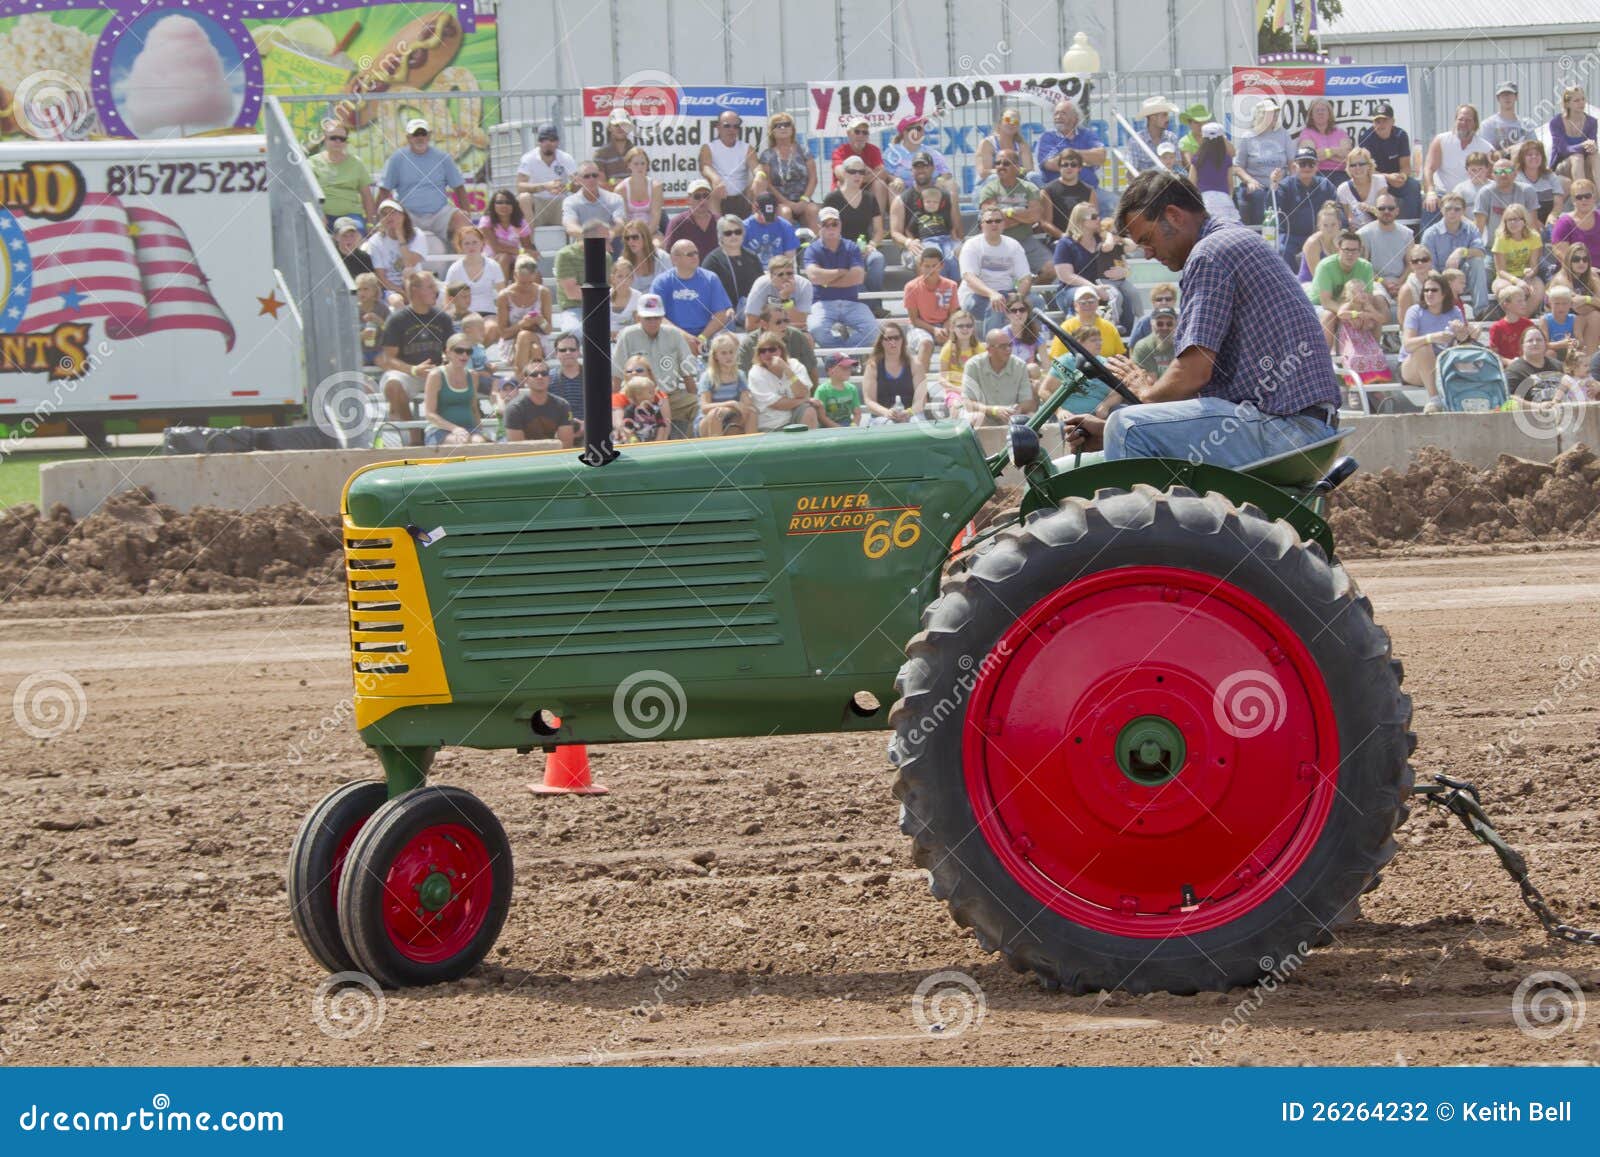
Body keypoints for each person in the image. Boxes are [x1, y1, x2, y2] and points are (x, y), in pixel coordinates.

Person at [1061, 170, 1341, 465]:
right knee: (1122, 427)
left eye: (1147, 239)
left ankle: (1146, 511)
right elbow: (1199, 391)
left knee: (1126, 424)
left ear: (1174, 216)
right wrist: (1112, 432)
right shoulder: (1230, 242)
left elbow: (1191, 375)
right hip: (1295, 426)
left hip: (1287, 429)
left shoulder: (1210, 254)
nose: (1147, 254)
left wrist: (1144, 395)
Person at [376, 269, 454, 430]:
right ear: (415, 290)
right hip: (407, 373)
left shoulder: (443, 318)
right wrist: (413, 370)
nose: (436, 291)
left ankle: (451, 430)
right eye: (430, 287)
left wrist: (444, 367)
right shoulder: (397, 320)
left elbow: (452, 350)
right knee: (392, 385)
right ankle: (413, 431)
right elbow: (388, 358)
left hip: (436, 373)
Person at [612, 294, 701, 436]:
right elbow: (616, 376)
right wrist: (615, 404)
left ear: (662, 317)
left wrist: (694, 395)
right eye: (648, 318)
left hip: (671, 396)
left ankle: (691, 449)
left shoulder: (674, 334)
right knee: (618, 418)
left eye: (657, 317)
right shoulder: (627, 335)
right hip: (634, 398)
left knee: (700, 407)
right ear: (638, 317)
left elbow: (687, 373)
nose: (653, 322)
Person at [377, 118, 470, 251]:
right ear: (408, 137)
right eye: (416, 134)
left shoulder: (443, 158)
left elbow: (459, 188)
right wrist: (377, 220)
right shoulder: (396, 159)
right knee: (394, 221)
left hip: (439, 213)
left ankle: (466, 264)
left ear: (429, 136)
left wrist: (467, 213)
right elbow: (384, 191)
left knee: (463, 221)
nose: (420, 138)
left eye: (423, 133)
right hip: (408, 215)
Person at [804, 206, 878, 348]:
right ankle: (844, 358)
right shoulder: (812, 249)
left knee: (874, 332)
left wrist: (826, 281)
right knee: (816, 330)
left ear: (840, 225)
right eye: (826, 224)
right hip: (822, 303)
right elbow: (814, 276)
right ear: (819, 226)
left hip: (852, 303)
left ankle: (840, 356)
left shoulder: (852, 247)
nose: (831, 227)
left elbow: (858, 278)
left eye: (834, 223)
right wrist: (841, 272)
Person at [1052, 202, 1133, 330]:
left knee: (1126, 296)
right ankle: (1080, 332)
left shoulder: (1103, 240)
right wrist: (1094, 288)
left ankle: (1123, 334)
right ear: (1081, 221)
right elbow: (1066, 276)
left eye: (1098, 216)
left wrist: (1125, 271)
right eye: (1094, 217)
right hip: (1071, 290)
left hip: (1104, 285)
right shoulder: (1065, 243)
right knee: (1087, 294)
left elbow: (1126, 248)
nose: (1099, 219)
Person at [1400, 271, 1475, 410]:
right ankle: (1435, 400)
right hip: (1413, 368)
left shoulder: (1454, 311)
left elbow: (1464, 344)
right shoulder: (1415, 311)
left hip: (1441, 366)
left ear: (1444, 293)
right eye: (1426, 290)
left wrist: (1462, 333)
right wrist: (1432, 337)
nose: (1429, 293)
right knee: (1424, 347)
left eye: (1434, 290)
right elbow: (1408, 345)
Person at [977, 150, 1054, 273]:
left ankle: (1028, 288)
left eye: (1006, 163)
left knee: (1052, 269)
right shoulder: (988, 189)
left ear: (1017, 167)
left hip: (1025, 240)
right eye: (997, 163)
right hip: (998, 242)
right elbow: (993, 221)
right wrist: (1023, 215)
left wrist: (1008, 212)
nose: (1001, 166)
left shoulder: (1029, 188)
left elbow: (1035, 216)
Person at [889, 152, 963, 281]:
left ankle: (957, 296)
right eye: (917, 167)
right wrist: (908, 242)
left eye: (925, 166)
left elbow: (957, 230)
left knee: (962, 253)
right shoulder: (902, 200)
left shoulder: (945, 196)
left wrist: (954, 198)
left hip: (945, 240)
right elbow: (895, 233)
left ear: (933, 169)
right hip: (916, 244)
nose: (921, 170)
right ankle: (930, 298)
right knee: (927, 257)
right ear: (912, 170)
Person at [652, 239, 733, 352]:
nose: (695, 256)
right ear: (675, 259)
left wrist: (701, 338)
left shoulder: (710, 279)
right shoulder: (661, 282)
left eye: (696, 253)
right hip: (671, 338)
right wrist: (685, 337)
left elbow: (721, 314)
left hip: (706, 337)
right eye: (690, 254)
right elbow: (657, 316)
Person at [960, 208, 1032, 332]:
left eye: (998, 221)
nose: (994, 224)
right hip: (976, 295)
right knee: (996, 307)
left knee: (1036, 302)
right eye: (989, 221)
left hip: (1008, 294)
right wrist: (992, 294)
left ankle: (1030, 343)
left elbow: (1025, 278)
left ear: (1003, 224)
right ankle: (994, 346)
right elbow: (969, 278)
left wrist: (1018, 298)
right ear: (981, 225)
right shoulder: (971, 245)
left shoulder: (1013, 245)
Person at [1423, 105, 1493, 228]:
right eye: (1460, 119)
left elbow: (1491, 175)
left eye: (1468, 120)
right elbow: (1429, 168)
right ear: (1455, 121)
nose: (1464, 123)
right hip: (1443, 195)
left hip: (1472, 194)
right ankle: (1427, 245)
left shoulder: (1486, 147)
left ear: (1475, 123)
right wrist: (1430, 192)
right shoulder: (1441, 140)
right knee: (1430, 205)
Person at [823, 156, 887, 292]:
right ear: (844, 173)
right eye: (853, 171)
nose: (858, 175)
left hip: (865, 247)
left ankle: (875, 301)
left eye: (861, 172)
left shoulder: (869, 198)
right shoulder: (832, 199)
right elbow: (825, 231)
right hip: (840, 248)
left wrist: (872, 245)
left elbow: (879, 230)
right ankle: (871, 305)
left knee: (878, 259)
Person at [1420, 193, 1489, 315]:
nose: (1452, 212)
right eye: (1448, 208)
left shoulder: (1471, 229)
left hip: (1465, 280)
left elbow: (1481, 252)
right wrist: (1446, 283)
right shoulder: (1430, 234)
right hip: (1440, 280)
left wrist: (1461, 251)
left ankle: (1481, 312)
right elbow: (1430, 268)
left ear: (1463, 211)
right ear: (1441, 210)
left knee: (1477, 261)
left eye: (1457, 209)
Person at [1275, 146, 1338, 272]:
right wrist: (1274, 187)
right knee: (1282, 250)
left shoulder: (1325, 184)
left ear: (1317, 166)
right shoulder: (1285, 185)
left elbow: (1337, 209)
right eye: (1302, 164)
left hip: (1320, 234)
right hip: (1291, 235)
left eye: (1311, 164)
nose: (1307, 168)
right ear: (1294, 167)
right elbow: (1274, 208)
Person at [753, 111, 819, 230]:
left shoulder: (804, 151)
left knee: (813, 210)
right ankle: (789, 247)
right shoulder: (767, 155)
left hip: (803, 199)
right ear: (772, 131)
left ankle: (815, 247)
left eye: (787, 124)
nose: (783, 127)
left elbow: (813, 179)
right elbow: (768, 184)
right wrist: (788, 203)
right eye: (778, 125)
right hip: (780, 202)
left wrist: (804, 201)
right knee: (785, 212)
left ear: (792, 129)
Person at [1309, 231, 1375, 348]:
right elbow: (1326, 302)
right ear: (1338, 250)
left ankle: (1374, 355)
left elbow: (1367, 298)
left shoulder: (1366, 267)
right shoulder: (1325, 266)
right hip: (1318, 305)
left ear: (1360, 251)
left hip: (1348, 306)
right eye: (1346, 250)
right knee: (1329, 316)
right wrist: (1351, 314)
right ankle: (1326, 359)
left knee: (1374, 311)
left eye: (1354, 250)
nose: (1350, 254)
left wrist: (1361, 314)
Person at [959, 328, 1036, 426]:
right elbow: (968, 402)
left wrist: (1017, 410)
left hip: (1011, 417)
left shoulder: (1020, 365)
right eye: (1003, 346)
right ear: (989, 349)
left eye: (1010, 345)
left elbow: (1027, 401)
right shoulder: (973, 365)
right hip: (984, 416)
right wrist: (994, 410)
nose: (1008, 349)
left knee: (1032, 418)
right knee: (976, 418)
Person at [1234, 100, 1293, 226]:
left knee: (1280, 195)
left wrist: (1291, 182)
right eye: (1271, 114)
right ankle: (1262, 234)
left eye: (1276, 114)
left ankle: (1281, 234)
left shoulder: (1283, 134)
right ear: (1261, 116)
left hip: (1279, 183)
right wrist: (1250, 181)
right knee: (1260, 196)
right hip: (1257, 184)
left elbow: (1292, 163)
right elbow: (1238, 167)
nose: (1275, 117)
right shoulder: (1248, 136)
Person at [421, 335, 488, 446]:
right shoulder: (436, 375)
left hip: (470, 429)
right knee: (461, 443)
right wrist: (455, 429)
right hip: (439, 430)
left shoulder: (473, 376)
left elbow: (474, 408)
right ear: (448, 352)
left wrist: (480, 430)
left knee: (479, 443)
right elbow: (429, 414)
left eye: (468, 351)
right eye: (459, 351)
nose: (464, 355)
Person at [1358, 103, 1420, 223]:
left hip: (1396, 178)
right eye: (1377, 121)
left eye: (1385, 120)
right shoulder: (1366, 137)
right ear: (1373, 123)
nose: (1381, 125)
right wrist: (1387, 177)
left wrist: (1402, 177)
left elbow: (1406, 165)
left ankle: (1410, 226)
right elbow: (1366, 169)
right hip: (1374, 178)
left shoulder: (1401, 135)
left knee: (1413, 185)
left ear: (1393, 121)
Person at [747, 333, 822, 430]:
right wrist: (804, 400)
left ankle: (810, 444)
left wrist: (787, 370)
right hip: (771, 425)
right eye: (762, 351)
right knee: (807, 404)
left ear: (781, 350)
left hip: (794, 417)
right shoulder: (755, 372)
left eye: (772, 349)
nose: (767, 354)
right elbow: (778, 404)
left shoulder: (795, 365)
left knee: (809, 411)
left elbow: (802, 393)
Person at [902, 246, 958, 372]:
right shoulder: (911, 287)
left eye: (934, 265)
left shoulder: (951, 285)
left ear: (941, 266)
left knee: (958, 344)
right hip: (920, 326)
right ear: (920, 266)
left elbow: (953, 315)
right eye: (927, 266)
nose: (931, 269)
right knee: (926, 343)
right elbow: (914, 319)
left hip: (945, 325)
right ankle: (921, 387)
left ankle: (954, 386)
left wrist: (943, 330)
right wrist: (934, 330)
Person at [551, 220, 614, 333]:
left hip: (602, 308)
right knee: (574, 331)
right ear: (589, 238)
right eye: (606, 239)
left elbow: (608, 287)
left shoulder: (606, 257)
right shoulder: (566, 255)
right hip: (575, 309)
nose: (609, 244)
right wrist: (602, 294)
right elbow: (572, 293)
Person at [312, 120, 375, 232]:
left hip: (351, 216)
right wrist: (318, 214)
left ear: (346, 142)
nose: (338, 141)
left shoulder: (356, 163)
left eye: (342, 139)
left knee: (357, 231)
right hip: (322, 216)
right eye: (333, 138)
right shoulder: (312, 163)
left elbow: (367, 196)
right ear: (325, 139)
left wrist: (370, 224)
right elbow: (307, 194)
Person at [860, 321, 927, 423]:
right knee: (890, 425)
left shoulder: (915, 365)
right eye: (888, 339)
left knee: (916, 423)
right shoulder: (873, 366)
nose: (893, 342)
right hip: (881, 416)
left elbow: (921, 399)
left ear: (903, 340)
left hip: (911, 414)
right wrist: (886, 412)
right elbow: (869, 400)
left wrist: (908, 412)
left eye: (896, 338)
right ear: (881, 342)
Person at [703, 215, 763, 326]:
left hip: (752, 313)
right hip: (726, 316)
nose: (734, 236)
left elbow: (762, 286)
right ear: (720, 236)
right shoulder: (712, 260)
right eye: (728, 233)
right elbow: (706, 293)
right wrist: (725, 308)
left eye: (737, 231)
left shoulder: (752, 256)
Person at [496, 254, 553, 371]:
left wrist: (539, 320)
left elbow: (548, 329)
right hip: (511, 341)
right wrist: (522, 324)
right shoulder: (504, 296)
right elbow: (503, 333)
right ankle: (532, 378)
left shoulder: (543, 293)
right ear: (515, 276)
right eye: (522, 283)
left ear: (535, 276)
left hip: (539, 337)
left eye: (530, 283)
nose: (526, 287)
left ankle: (519, 377)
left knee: (526, 337)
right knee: (534, 348)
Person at [737, 301, 819, 382]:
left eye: (786, 321)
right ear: (764, 324)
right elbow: (741, 375)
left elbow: (812, 370)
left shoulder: (797, 336)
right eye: (778, 322)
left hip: (793, 389)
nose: (784, 325)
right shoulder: (749, 343)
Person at [516, 121, 577, 227]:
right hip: (537, 203)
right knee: (524, 198)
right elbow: (520, 186)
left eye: (552, 139)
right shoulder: (528, 158)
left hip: (559, 201)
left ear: (557, 142)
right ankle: (530, 242)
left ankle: (573, 241)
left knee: (574, 200)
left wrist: (565, 187)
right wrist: (545, 186)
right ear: (538, 142)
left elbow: (579, 184)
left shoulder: (566, 158)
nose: (548, 143)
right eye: (543, 139)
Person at [503, 359, 576, 446]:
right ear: (526, 381)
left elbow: (566, 444)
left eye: (544, 373)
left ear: (549, 378)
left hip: (555, 456)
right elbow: (517, 447)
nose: (540, 377)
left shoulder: (563, 405)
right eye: (534, 374)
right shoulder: (514, 409)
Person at [700, 109, 758, 218]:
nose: (732, 130)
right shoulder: (708, 147)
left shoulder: (747, 148)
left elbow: (756, 167)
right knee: (712, 193)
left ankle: (756, 226)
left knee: (759, 182)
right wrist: (715, 178)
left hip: (743, 197)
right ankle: (718, 227)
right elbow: (705, 167)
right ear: (718, 127)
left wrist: (760, 176)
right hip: (720, 196)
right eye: (727, 126)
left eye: (736, 126)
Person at [696, 331, 756, 437]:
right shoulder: (708, 377)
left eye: (731, 352)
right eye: (723, 353)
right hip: (708, 420)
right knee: (716, 414)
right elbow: (704, 408)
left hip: (731, 417)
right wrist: (730, 404)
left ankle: (751, 449)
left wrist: (739, 405)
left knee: (751, 412)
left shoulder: (740, 375)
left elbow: (746, 403)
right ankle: (716, 451)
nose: (728, 356)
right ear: (715, 356)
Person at [1357, 192, 1414, 302]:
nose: (1386, 211)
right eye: (1382, 208)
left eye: (1391, 208)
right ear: (1376, 210)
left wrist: (1400, 282)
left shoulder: (1407, 234)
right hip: (1375, 282)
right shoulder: (1363, 234)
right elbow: (1363, 267)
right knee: (1380, 299)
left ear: (1397, 211)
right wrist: (1383, 282)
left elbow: (1411, 264)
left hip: (1402, 280)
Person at [364, 200, 427, 297]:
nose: (389, 217)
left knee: (408, 271)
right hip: (390, 289)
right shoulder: (375, 241)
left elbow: (409, 263)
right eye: (384, 214)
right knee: (397, 301)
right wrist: (401, 293)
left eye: (393, 213)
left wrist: (400, 235)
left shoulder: (417, 235)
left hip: (416, 284)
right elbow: (381, 277)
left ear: (403, 216)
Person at [1332, 280, 1391, 384]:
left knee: (1377, 354)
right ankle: (1354, 387)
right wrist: (1357, 314)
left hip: (1364, 338)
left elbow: (1382, 319)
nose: (1363, 294)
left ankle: (1375, 383)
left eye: (1363, 291)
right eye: (1358, 292)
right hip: (1349, 339)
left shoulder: (1367, 306)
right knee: (1355, 356)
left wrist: (1372, 313)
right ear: (1351, 295)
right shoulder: (1348, 305)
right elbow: (1341, 314)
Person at [831, 116, 892, 215]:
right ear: (848, 133)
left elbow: (882, 172)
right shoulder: (839, 151)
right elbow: (841, 175)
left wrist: (856, 176)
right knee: (840, 185)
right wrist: (866, 172)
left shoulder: (873, 150)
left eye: (865, 132)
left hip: (866, 190)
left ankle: (878, 225)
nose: (861, 135)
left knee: (880, 184)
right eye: (857, 132)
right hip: (845, 190)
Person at [1491, 203, 1544, 315]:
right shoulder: (1501, 238)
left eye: (1516, 219)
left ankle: (1523, 319)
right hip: (1506, 278)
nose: (1512, 223)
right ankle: (1512, 319)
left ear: (1524, 220)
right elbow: (1501, 271)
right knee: (1504, 290)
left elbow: (1534, 265)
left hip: (1526, 276)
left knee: (1538, 288)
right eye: (1509, 220)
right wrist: (1517, 281)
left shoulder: (1534, 237)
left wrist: (1530, 273)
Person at [1189, 122, 1246, 225]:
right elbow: (1230, 185)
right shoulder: (1226, 159)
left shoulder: (1197, 159)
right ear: (1221, 139)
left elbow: (1191, 184)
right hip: (1224, 200)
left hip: (1204, 200)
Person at [1474, 157, 1539, 246]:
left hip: (1522, 247)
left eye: (1508, 171)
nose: (1503, 175)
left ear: (1515, 174)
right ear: (1492, 175)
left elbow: (1532, 225)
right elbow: (1479, 227)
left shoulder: (1527, 191)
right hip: (1494, 247)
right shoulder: (1485, 193)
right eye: (1499, 172)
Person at [1549, 242, 1600, 352]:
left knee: (1593, 315)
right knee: (1594, 315)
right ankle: (1590, 358)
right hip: (1560, 319)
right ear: (1568, 261)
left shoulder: (1592, 276)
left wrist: (1587, 299)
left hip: (1578, 318)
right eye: (1576, 259)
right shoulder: (1562, 279)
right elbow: (1578, 308)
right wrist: (1595, 304)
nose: (1581, 262)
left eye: (1585, 259)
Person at [1027, 101, 1090, 190]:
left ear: (1075, 118)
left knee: (1112, 200)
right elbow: (1050, 164)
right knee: (1031, 176)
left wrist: (1066, 156)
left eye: (1063, 113)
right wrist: (1081, 159)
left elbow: (1098, 159)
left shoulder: (1087, 136)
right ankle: (1051, 200)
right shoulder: (1047, 137)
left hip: (1083, 186)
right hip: (1052, 186)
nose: (1058, 117)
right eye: (1056, 114)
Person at [444, 226, 505, 317]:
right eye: (467, 243)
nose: (471, 246)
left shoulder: (493, 266)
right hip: (463, 316)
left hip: (489, 313)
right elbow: (447, 299)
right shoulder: (454, 269)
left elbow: (502, 294)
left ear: (482, 243)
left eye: (474, 242)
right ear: (461, 246)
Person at [1039, 148, 1098, 240]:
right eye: (1065, 165)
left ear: (1079, 168)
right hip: (1059, 240)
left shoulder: (1090, 191)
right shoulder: (1047, 191)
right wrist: (1064, 237)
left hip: (1084, 239)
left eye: (1073, 165)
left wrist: (1083, 238)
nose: (1069, 167)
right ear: (1059, 168)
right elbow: (1045, 223)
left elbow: (1094, 219)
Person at [883, 115, 953, 192]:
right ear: (905, 132)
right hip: (904, 191)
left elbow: (947, 173)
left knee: (951, 186)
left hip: (929, 190)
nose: (923, 132)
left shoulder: (930, 151)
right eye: (919, 129)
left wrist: (941, 179)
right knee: (894, 186)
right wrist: (896, 179)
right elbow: (886, 173)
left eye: (923, 129)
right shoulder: (892, 152)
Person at [744, 255, 813, 332]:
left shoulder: (804, 285)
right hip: (767, 332)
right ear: (771, 276)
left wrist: (785, 299)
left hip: (791, 331)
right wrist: (780, 326)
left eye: (789, 273)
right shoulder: (761, 284)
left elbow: (801, 322)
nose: (785, 277)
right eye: (780, 274)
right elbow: (750, 326)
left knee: (808, 338)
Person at [1549, 86, 1599, 189]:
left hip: (1585, 162)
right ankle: (1582, 193)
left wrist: (1593, 147)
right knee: (1577, 157)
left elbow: (1591, 147)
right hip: (1562, 164)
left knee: (1595, 155)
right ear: (1567, 104)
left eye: (1583, 99)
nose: (1582, 103)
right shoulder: (1556, 122)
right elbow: (1563, 149)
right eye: (1576, 100)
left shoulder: (1592, 122)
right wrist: (1583, 145)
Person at [562, 161, 626, 242]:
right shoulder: (570, 202)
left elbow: (620, 224)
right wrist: (593, 237)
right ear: (578, 180)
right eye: (586, 176)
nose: (591, 179)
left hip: (610, 243)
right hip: (583, 244)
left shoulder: (615, 199)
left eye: (595, 175)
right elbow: (570, 226)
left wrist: (610, 234)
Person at [479, 189, 535, 280]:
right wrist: (522, 251)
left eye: (508, 202)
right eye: (499, 202)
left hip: (514, 258)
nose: (504, 205)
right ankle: (503, 292)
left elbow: (527, 247)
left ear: (514, 205)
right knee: (505, 258)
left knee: (531, 270)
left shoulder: (520, 222)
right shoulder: (486, 221)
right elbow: (496, 248)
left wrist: (527, 254)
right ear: (493, 205)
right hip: (490, 259)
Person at [1058, 284, 1126, 357]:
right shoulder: (1066, 328)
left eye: (1091, 301)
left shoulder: (1109, 327)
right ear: (1075, 305)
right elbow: (1056, 359)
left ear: (1097, 303)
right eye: (1083, 303)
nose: (1087, 305)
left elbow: (1120, 355)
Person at [1503, 326, 1565, 402]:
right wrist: (1536, 407)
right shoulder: (1514, 371)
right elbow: (1509, 398)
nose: (1535, 343)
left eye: (1539, 340)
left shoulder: (1558, 366)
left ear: (1545, 344)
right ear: (1522, 346)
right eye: (1530, 341)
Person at [1299, 98, 1350, 186]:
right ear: (1311, 115)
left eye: (1323, 110)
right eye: (1317, 110)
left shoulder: (1340, 132)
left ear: (1329, 114)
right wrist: (1335, 151)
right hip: (1317, 174)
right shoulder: (1306, 133)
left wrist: (1324, 153)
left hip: (1341, 174)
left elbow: (1348, 157)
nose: (1320, 113)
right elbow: (1310, 157)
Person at [1514, 139, 1564, 227]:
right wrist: (1536, 223)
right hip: (1527, 220)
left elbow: (1558, 203)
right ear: (1522, 158)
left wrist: (1552, 216)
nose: (1534, 157)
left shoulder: (1550, 175)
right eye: (1529, 155)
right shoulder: (1517, 178)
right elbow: (1519, 208)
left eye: (1537, 154)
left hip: (1549, 219)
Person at [664, 178, 720, 259]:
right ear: (688, 200)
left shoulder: (720, 222)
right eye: (697, 196)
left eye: (706, 195)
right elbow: (669, 254)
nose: (702, 200)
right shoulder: (677, 223)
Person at [1126, 96, 1179, 175]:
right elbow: (1131, 174)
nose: (1167, 119)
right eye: (1164, 115)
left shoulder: (1172, 138)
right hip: (1145, 186)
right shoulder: (1136, 141)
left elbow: (1178, 166)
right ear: (1153, 117)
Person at [744, 192, 800, 267]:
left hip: (778, 270)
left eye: (771, 215)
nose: (766, 219)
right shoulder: (744, 227)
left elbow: (789, 258)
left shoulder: (786, 226)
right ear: (755, 208)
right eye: (763, 214)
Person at [1483, 81, 1536, 158]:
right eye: (1503, 95)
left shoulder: (1527, 124)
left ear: (1516, 96)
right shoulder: (1488, 124)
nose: (1507, 97)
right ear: (1498, 98)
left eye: (1510, 94)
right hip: (1498, 168)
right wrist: (1513, 149)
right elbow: (1487, 154)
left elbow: (1534, 148)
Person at [617, 147, 664, 233]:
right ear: (628, 165)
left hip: (651, 233)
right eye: (636, 164)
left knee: (658, 245)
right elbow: (623, 219)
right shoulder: (621, 189)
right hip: (628, 234)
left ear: (647, 165)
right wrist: (634, 236)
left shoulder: (656, 187)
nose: (640, 167)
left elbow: (655, 217)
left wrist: (645, 238)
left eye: (643, 163)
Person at [618, 219, 669, 295]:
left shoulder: (663, 257)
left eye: (635, 237)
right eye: (627, 238)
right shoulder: (623, 262)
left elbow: (671, 284)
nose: (630, 241)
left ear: (645, 238)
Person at [1001, 294, 1046, 378]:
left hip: (1029, 378)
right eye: (1013, 311)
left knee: (1034, 369)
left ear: (1027, 312)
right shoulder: (1002, 335)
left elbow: (1046, 365)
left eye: (1022, 310)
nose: (1018, 314)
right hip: (1007, 377)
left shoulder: (1036, 335)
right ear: (1007, 314)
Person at [813, 354, 863, 427]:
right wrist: (839, 428)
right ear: (831, 371)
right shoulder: (822, 390)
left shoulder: (852, 389)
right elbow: (821, 417)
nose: (849, 370)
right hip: (827, 429)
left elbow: (857, 413)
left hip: (847, 425)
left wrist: (853, 425)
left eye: (850, 367)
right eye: (844, 368)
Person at [547, 332, 587, 426]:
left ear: (578, 352)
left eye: (572, 349)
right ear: (556, 353)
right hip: (559, 429)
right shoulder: (548, 378)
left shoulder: (592, 376)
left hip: (591, 429)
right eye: (563, 350)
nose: (568, 353)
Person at [938, 310, 985, 389]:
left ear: (973, 328)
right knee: (956, 402)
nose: (965, 329)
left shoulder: (980, 349)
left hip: (976, 390)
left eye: (969, 325)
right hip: (954, 390)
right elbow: (942, 378)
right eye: (960, 326)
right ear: (952, 328)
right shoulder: (947, 349)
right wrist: (957, 389)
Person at [618, 374, 671, 443]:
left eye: (653, 391)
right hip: (638, 444)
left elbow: (661, 424)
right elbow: (627, 428)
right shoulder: (630, 410)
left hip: (654, 442)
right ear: (638, 395)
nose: (654, 394)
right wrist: (634, 440)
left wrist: (658, 440)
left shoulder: (655, 408)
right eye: (650, 392)